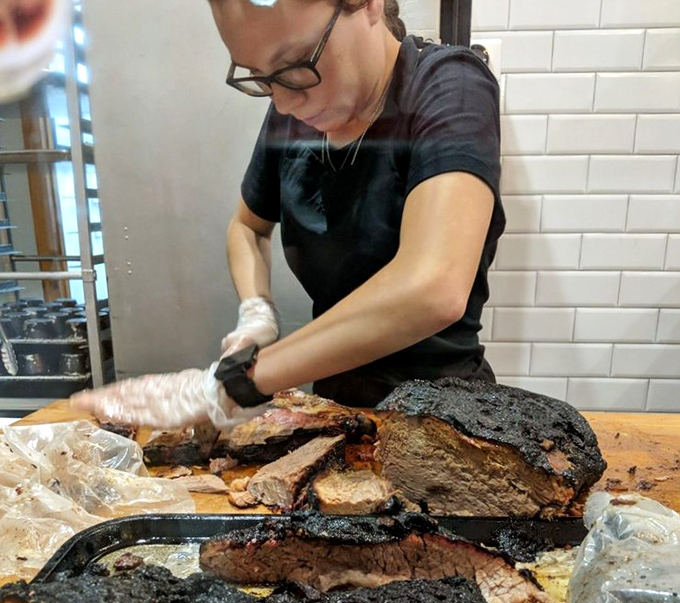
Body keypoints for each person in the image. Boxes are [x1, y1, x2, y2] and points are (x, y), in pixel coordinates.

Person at [73, 0, 505, 429]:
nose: (282, 102)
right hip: (338, 415)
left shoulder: (450, 86)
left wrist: (234, 384)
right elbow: (247, 226)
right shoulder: (295, 115)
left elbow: (433, 287)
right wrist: (255, 313)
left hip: (447, 423)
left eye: (297, 65)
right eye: (260, 77)